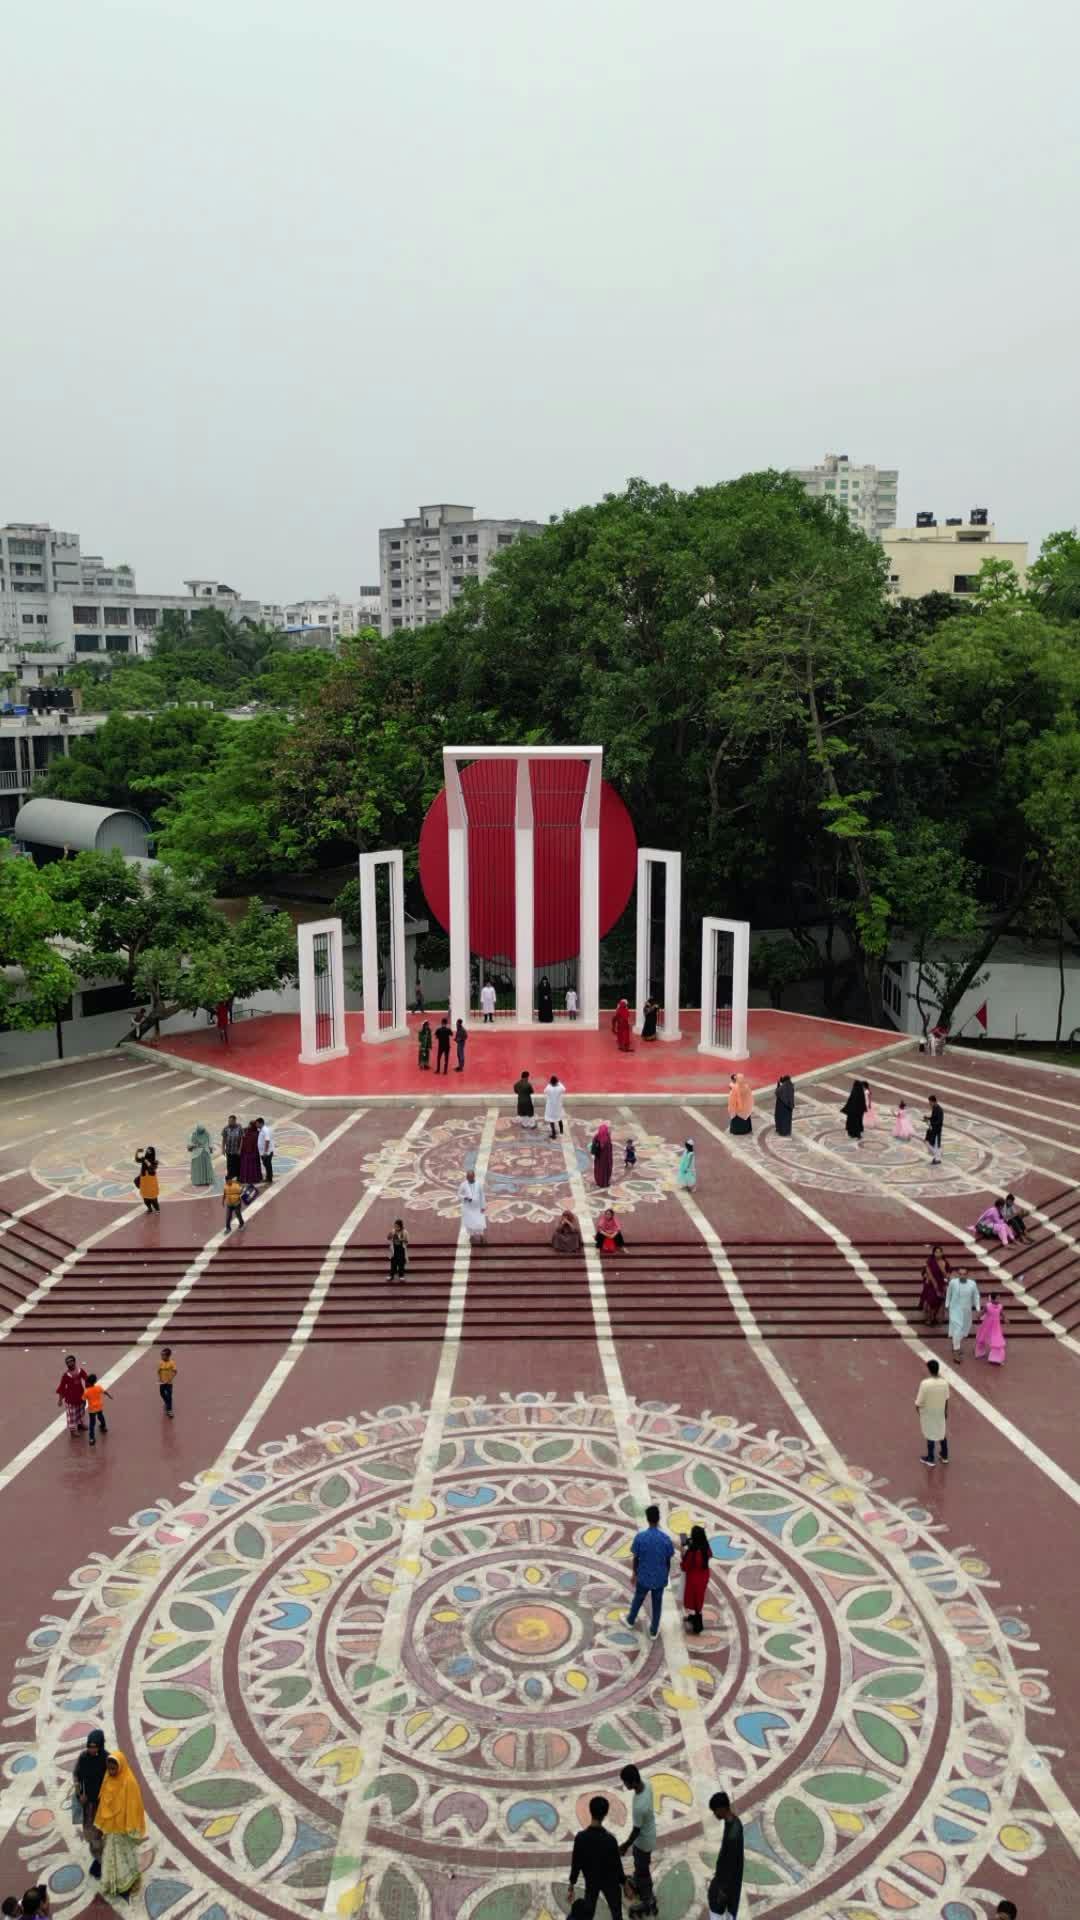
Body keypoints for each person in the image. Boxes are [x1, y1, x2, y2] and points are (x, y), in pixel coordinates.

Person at [95, 1750, 147, 1899]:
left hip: (124, 1829)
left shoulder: (129, 1782)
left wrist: (131, 1828)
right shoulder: (107, 1778)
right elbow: (103, 1803)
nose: (111, 1771)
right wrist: (101, 1825)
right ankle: (115, 1883)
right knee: (112, 1856)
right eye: (109, 1768)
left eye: (114, 1768)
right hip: (111, 1829)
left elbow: (134, 1807)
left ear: (120, 1766)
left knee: (127, 1857)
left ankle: (134, 1880)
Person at [568, 1795, 625, 1920]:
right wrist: (625, 1883)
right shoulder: (610, 1840)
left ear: (590, 1811)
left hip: (591, 1881)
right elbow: (617, 1866)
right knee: (617, 1914)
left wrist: (572, 1884)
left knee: (587, 1914)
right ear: (605, 1814)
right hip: (610, 1882)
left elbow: (576, 1864)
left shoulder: (581, 1838)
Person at [627, 1504, 674, 1637]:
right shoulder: (665, 1539)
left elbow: (636, 1558)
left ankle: (630, 1620)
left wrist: (634, 1574)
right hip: (659, 1577)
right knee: (657, 1604)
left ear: (647, 1519)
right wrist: (666, 1575)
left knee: (638, 1598)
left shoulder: (640, 1537)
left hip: (643, 1576)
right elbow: (668, 1560)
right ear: (659, 1518)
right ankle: (653, 1631)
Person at [618, 1765, 657, 1916]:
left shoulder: (639, 1807)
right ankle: (639, 1881)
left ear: (633, 1782)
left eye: (626, 1782)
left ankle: (647, 1900)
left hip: (643, 1842)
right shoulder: (647, 1784)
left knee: (643, 1871)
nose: (625, 1785)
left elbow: (636, 1830)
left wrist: (625, 1846)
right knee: (640, 1866)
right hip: (650, 1833)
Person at [708, 1791, 744, 1920]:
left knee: (717, 1912)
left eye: (715, 1811)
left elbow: (730, 1864)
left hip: (726, 1884)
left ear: (722, 1809)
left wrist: (722, 1889)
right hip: (729, 1882)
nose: (715, 1814)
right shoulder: (733, 1822)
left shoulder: (733, 1834)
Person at [916, 1357, 950, 1466]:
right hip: (940, 1411)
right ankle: (944, 1455)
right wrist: (945, 1411)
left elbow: (919, 1402)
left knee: (930, 1434)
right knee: (941, 1432)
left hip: (928, 1413)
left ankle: (930, 1458)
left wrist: (919, 1411)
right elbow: (946, 1399)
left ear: (929, 1370)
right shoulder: (944, 1383)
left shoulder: (925, 1384)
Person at [680, 1523, 712, 1635]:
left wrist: (683, 1554)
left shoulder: (692, 1552)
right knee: (698, 1599)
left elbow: (684, 1567)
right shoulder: (705, 1546)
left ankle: (698, 1625)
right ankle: (693, 1618)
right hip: (704, 1576)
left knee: (692, 1601)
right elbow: (710, 1554)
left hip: (693, 1579)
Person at [945, 1270, 980, 1362]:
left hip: (966, 1311)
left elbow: (976, 1296)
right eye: (960, 1274)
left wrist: (978, 1308)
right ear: (958, 1275)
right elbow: (949, 1293)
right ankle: (956, 1352)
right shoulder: (953, 1283)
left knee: (965, 1329)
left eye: (964, 1274)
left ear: (967, 1275)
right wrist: (947, 1305)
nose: (962, 1276)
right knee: (957, 1328)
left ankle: (955, 1343)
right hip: (954, 1310)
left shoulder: (972, 1284)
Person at [56, 1353, 87, 1435]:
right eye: (68, 1362)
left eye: (71, 1361)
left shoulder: (80, 1371)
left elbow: (87, 1380)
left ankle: (80, 1424)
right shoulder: (66, 1375)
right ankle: (73, 1430)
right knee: (72, 1416)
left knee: (81, 1412)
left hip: (81, 1397)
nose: (69, 1363)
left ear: (74, 1362)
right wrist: (60, 1400)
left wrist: (91, 1391)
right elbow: (61, 1388)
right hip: (70, 1399)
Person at [919, 1245, 951, 1326]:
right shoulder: (930, 1261)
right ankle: (928, 1318)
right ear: (933, 1253)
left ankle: (934, 1317)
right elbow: (926, 1273)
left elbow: (947, 1275)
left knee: (938, 1302)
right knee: (930, 1301)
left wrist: (943, 1270)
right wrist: (934, 1283)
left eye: (940, 1252)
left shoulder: (945, 1262)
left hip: (941, 1283)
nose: (938, 1253)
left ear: (942, 1253)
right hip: (930, 1284)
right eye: (936, 1252)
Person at [975, 1292, 1007, 1364]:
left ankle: (995, 1358)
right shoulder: (987, 1306)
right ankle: (980, 1352)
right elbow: (982, 1313)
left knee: (997, 1340)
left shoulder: (1000, 1306)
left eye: (999, 1298)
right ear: (992, 1299)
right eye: (997, 1298)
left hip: (996, 1326)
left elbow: (1001, 1314)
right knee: (982, 1338)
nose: (999, 1300)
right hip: (987, 1325)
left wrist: (1005, 1319)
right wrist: (978, 1316)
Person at [458, 1167, 487, 1245]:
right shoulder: (463, 1185)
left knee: (479, 1222)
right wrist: (465, 1198)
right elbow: (459, 1194)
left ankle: (481, 1237)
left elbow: (482, 1195)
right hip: (468, 1207)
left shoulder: (479, 1184)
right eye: (468, 1177)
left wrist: (483, 1206)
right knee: (470, 1222)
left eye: (470, 1177)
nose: (469, 1179)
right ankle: (471, 1236)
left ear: (474, 1176)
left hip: (477, 1207)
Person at [84, 1372, 112, 1446]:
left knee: (92, 1424)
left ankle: (92, 1438)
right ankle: (103, 1426)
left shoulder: (87, 1391)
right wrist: (109, 1396)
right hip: (99, 1407)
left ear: (88, 1383)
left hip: (92, 1410)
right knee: (101, 1417)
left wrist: (82, 1406)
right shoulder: (98, 1387)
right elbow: (104, 1392)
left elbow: (83, 1399)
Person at [187, 1123, 214, 1188]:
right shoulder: (193, 1135)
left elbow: (210, 1144)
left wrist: (210, 1150)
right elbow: (189, 1147)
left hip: (205, 1153)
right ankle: (197, 1182)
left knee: (207, 1168)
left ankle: (208, 1181)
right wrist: (194, 1146)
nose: (202, 1132)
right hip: (197, 1154)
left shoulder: (207, 1134)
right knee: (197, 1168)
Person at [841, 1079, 867, 1146]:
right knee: (857, 1123)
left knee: (852, 1123)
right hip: (859, 1112)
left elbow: (850, 1101)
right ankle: (857, 1134)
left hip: (852, 1112)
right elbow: (863, 1103)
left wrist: (846, 1109)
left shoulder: (854, 1092)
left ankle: (852, 1134)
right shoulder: (861, 1093)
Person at [135, 1145, 160, 1214]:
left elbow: (151, 1168)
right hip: (144, 1181)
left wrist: (145, 1160)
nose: (147, 1152)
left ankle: (157, 1209)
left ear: (152, 1153)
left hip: (151, 1182)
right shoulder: (144, 1159)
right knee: (145, 1198)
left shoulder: (155, 1162)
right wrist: (137, 1152)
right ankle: (149, 1208)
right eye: (147, 1150)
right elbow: (137, 1160)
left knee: (153, 1198)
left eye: (149, 1151)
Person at [591, 1122, 614, 1188]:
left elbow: (593, 1146)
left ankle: (599, 1182)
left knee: (598, 1169)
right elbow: (610, 1148)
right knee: (605, 1170)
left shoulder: (596, 1136)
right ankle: (605, 1182)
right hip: (606, 1159)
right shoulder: (607, 1138)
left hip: (598, 1158)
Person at [239, 1120, 261, 1185]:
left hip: (253, 1152)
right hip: (245, 1151)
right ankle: (245, 1178)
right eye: (249, 1124)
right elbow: (242, 1138)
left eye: (250, 1125)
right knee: (245, 1165)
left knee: (252, 1165)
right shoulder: (246, 1131)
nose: (249, 1126)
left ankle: (253, 1178)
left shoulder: (257, 1133)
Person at [925, 1093, 945, 1165]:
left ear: (933, 1101)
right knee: (930, 1143)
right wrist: (928, 1118)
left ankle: (937, 1158)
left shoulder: (939, 1110)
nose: (929, 1104)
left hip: (936, 1131)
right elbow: (933, 1118)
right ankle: (937, 1157)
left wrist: (931, 1123)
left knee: (935, 1145)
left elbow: (939, 1122)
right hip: (933, 1130)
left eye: (930, 1102)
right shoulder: (934, 1108)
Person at [387, 1218, 409, 1283]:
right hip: (394, 1249)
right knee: (393, 1263)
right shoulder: (393, 1231)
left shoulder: (405, 1232)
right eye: (395, 1226)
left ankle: (401, 1276)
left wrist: (401, 1239)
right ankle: (391, 1275)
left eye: (397, 1226)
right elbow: (388, 1238)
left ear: (400, 1226)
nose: (395, 1227)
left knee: (401, 1263)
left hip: (401, 1249)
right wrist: (389, 1235)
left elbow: (407, 1241)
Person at [221, 1114, 243, 1178]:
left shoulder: (239, 1128)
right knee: (229, 1164)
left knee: (237, 1164)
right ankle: (230, 1176)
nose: (229, 1122)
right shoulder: (226, 1128)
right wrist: (223, 1149)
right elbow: (224, 1139)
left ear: (234, 1121)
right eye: (229, 1121)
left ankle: (238, 1176)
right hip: (229, 1150)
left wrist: (240, 1149)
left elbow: (242, 1139)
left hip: (236, 1150)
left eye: (231, 1121)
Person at [545, 1074, 566, 1138]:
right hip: (558, 1107)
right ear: (557, 1082)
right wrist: (559, 1082)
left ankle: (553, 1134)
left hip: (551, 1107)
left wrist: (549, 1084)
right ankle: (561, 1131)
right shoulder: (560, 1088)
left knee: (551, 1121)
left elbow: (545, 1091)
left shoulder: (548, 1088)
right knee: (559, 1119)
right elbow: (564, 1089)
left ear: (551, 1082)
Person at [157, 1347, 176, 1418]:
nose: (161, 1356)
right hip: (162, 1382)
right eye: (161, 1355)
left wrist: (171, 1378)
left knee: (169, 1395)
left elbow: (175, 1371)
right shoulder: (161, 1363)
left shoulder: (172, 1363)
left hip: (169, 1383)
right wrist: (160, 1378)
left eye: (163, 1355)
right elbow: (159, 1371)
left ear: (168, 1356)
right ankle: (166, 1402)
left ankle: (169, 1410)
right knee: (162, 1393)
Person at [257, 1116, 275, 1184]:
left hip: (266, 1152)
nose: (256, 1125)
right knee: (266, 1164)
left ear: (261, 1123)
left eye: (257, 1123)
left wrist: (265, 1151)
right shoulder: (262, 1130)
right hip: (263, 1152)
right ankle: (269, 1176)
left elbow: (267, 1140)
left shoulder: (265, 1130)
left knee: (267, 1165)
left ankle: (269, 1178)